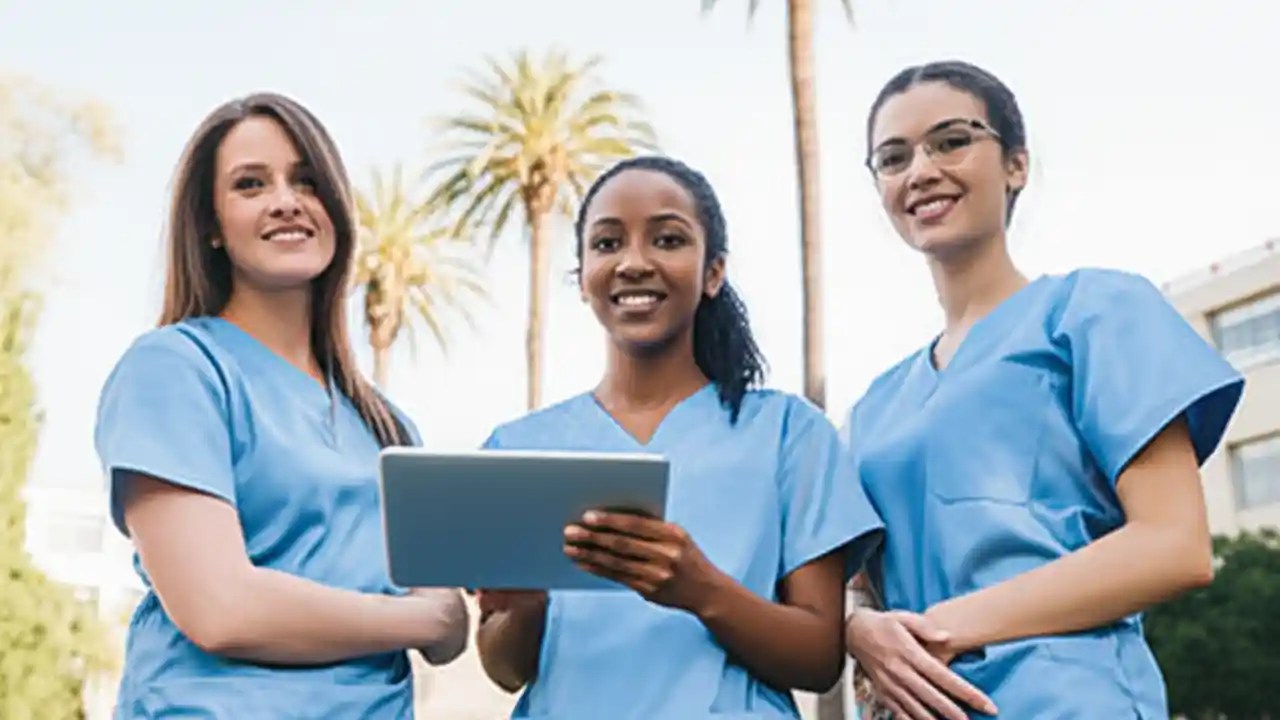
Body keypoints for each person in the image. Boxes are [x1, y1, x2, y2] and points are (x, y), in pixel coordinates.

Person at [842, 60, 1245, 720]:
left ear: (1016, 165)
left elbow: (1174, 545)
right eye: (893, 157)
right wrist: (858, 630)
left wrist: (940, 628)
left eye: (951, 141)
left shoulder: (1093, 313)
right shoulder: (874, 409)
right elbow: (860, 589)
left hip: (1068, 699)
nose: (920, 170)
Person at [93, 92, 468, 718]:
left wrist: (442, 617)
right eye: (251, 184)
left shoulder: (386, 425)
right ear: (211, 225)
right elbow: (219, 609)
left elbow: (451, 629)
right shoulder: (175, 369)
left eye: (307, 180)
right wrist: (417, 618)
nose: (286, 200)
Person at [473, 155, 884, 719]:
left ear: (713, 273)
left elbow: (818, 659)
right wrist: (524, 609)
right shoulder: (517, 450)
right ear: (582, 276)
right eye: (607, 244)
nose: (633, 263)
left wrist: (699, 589)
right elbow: (504, 669)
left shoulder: (789, 434)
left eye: (667, 240)